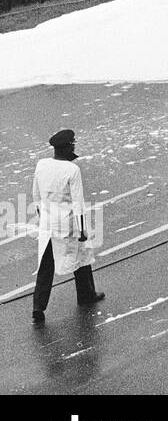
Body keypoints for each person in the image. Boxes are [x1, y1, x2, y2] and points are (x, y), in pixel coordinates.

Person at [32, 129, 103, 325]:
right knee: (82, 255)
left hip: (48, 223)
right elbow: (78, 203)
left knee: (46, 264)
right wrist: (82, 230)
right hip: (68, 223)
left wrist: (42, 218)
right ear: (68, 147)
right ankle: (86, 294)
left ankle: (38, 306)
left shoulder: (42, 164)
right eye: (73, 144)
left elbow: (36, 195)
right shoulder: (72, 170)